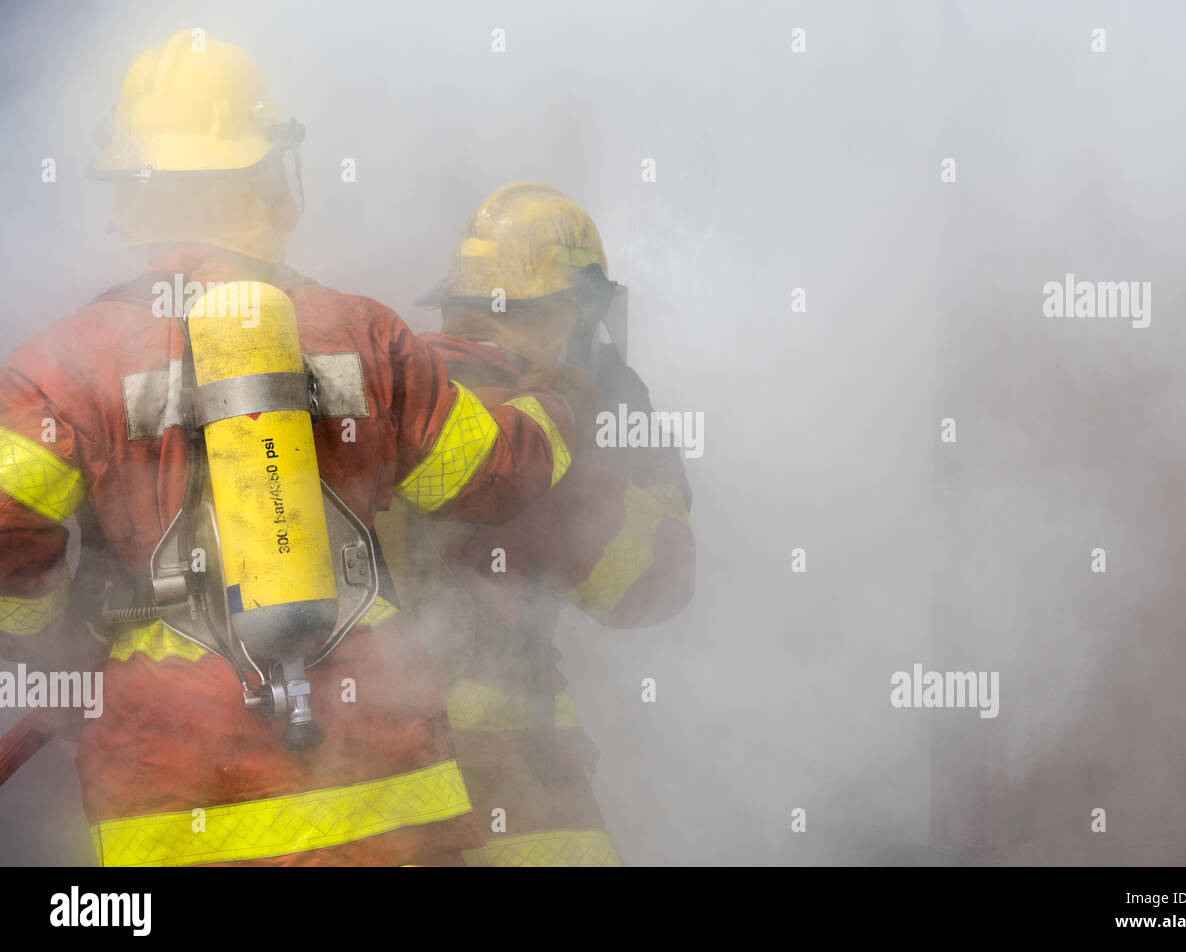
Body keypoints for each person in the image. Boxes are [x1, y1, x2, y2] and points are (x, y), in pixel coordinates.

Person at [0, 32, 575, 866]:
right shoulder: (365, 331)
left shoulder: (62, 362)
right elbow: (491, 480)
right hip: (386, 789)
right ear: (265, 177)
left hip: (180, 797)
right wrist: (555, 405)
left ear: (133, 188)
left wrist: (56, 625)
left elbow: (7, 530)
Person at [380, 182, 695, 865]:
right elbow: (655, 583)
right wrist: (638, 437)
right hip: (505, 792)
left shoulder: (398, 391)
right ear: (573, 314)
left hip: (364, 785)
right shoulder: (536, 429)